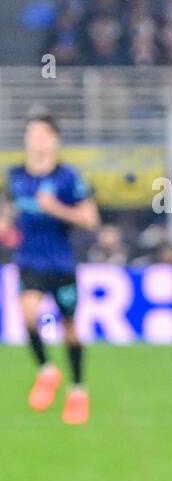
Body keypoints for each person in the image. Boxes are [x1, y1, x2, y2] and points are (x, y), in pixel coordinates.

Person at [1, 115, 99, 424]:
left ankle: (77, 390)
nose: (37, 140)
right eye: (31, 134)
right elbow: (8, 214)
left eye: (43, 134)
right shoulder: (15, 176)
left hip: (61, 262)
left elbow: (90, 219)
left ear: (54, 140)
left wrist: (55, 208)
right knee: (28, 313)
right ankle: (47, 370)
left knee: (69, 328)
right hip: (29, 260)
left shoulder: (68, 177)